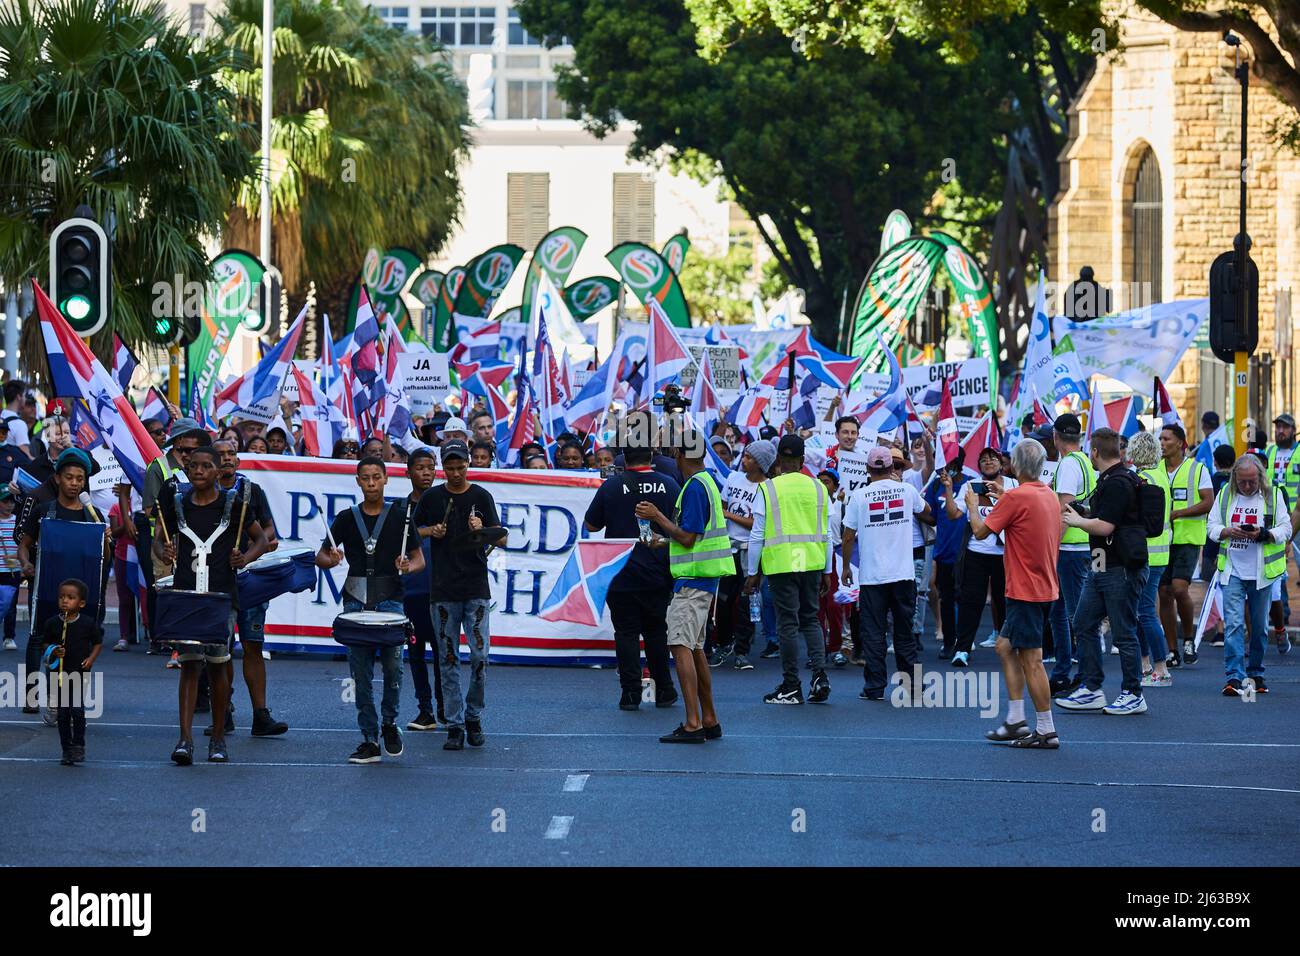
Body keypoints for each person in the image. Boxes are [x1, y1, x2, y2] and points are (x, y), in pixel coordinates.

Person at [155, 447, 269, 764]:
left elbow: (261, 539)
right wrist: (163, 551)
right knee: (190, 666)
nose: (199, 471)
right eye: (193, 466)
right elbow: (158, 538)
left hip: (221, 596)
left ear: (219, 472)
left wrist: (244, 558)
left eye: (207, 466)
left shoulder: (233, 505)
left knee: (218, 667)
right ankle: (185, 739)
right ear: (187, 469)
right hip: (187, 595)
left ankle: (218, 738)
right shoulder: (177, 503)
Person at [317, 456, 424, 763]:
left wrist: (408, 565)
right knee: (360, 673)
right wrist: (332, 559)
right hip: (354, 598)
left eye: (377, 477)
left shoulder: (401, 516)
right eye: (366, 478)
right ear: (358, 481)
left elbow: (419, 560)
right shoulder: (346, 518)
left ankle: (389, 724)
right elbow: (321, 557)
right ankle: (368, 738)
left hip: (391, 596)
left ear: (386, 479)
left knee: (393, 668)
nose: (372, 483)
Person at [633, 430, 729, 743]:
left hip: (693, 581)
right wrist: (663, 542)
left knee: (680, 645)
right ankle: (709, 718)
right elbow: (692, 537)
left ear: (680, 455)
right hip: (702, 578)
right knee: (695, 646)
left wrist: (657, 515)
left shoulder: (695, 487)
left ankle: (692, 723)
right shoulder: (705, 483)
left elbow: (688, 536)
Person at [969, 439, 1062, 748]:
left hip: (1025, 590)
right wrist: (1004, 496)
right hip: (1043, 586)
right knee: (1005, 647)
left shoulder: (1016, 497)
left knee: (1032, 660)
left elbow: (981, 532)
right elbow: (1024, 506)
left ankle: (1046, 729)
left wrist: (972, 505)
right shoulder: (1046, 494)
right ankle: (1015, 720)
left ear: (1015, 466)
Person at [584, 417, 681, 709]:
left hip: (620, 571)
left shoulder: (611, 487)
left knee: (625, 632)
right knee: (655, 631)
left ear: (623, 455)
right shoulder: (669, 485)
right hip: (657, 570)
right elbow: (679, 526)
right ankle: (664, 690)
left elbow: (591, 524)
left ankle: (630, 693)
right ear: (652, 452)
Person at [1056, 428, 1150, 715]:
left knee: (1123, 634)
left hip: (1119, 568)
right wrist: (1085, 513)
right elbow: (1105, 518)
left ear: (1095, 451)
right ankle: (1091, 688)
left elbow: (1106, 526)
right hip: (1100, 565)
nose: (1089, 456)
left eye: (1090, 451)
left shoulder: (1118, 482)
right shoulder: (1109, 480)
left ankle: (1133, 693)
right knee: (1083, 621)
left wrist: (1075, 520)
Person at [414, 440, 500, 750]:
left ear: (467, 465)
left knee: (479, 656)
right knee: (447, 659)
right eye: (449, 468)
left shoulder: (481, 495)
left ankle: (474, 715)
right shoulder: (433, 497)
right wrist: (430, 532)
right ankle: (454, 723)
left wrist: (482, 528)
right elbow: (411, 529)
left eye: (460, 467)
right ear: (443, 468)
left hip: (475, 588)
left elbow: (500, 537)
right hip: (443, 589)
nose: (455, 473)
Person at [17, 448, 109, 712]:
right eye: (69, 477)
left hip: (80, 592)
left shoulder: (93, 515)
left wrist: (106, 537)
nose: (74, 483)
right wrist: (26, 563)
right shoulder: (45, 512)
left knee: (77, 645)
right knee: (41, 638)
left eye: (80, 479)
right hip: (47, 589)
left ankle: (67, 700)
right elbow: (24, 544)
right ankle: (33, 696)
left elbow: (104, 556)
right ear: (58, 478)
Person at [210, 439, 289, 737]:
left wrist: (252, 553)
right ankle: (223, 711)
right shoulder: (203, 495)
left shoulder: (251, 492)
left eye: (232, 454)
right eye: (221, 455)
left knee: (253, 645)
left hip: (250, 580)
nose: (228, 459)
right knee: (221, 651)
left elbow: (268, 530)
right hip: (218, 581)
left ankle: (260, 715)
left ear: (238, 461)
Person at [748, 434, 833, 705]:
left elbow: (757, 534)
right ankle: (819, 676)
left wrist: (753, 571)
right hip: (811, 562)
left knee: (788, 623)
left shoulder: (769, 488)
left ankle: (791, 685)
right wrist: (828, 570)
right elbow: (828, 533)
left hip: (782, 564)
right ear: (802, 459)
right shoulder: (819, 488)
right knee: (810, 619)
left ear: (778, 461)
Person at [843, 445, 932, 701]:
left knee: (873, 632)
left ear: (868, 469)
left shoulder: (859, 497)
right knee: (904, 632)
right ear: (893, 468)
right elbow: (928, 514)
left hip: (872, 577)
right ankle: (912, 685)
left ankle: (874, 687)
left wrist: (846, 567)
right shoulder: (907, 491)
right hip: (903, 575)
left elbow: (848, 536)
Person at [1209, 455, 1290, 696]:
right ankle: (1234, 676)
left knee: (1259, 626)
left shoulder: (1273, 496)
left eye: (1252, 482)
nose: (1247, 487)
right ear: (1235, 478)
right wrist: (1226, 531)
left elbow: (1285, 528)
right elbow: (1211, 526)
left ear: (1260, 478)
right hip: (1233, 570)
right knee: (1233, 624)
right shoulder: (1225, 495)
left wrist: (1263, 534)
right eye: (1242, 482)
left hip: (1261, 573)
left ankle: (1255, 673)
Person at [948, 447, 1018, 665]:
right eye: (984, 460)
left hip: (1005, 554)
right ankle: (962, 649)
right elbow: (953, 514)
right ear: (979, 466)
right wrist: (949, 489)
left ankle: (1010, 647)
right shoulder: (970, 486)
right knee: (971, 601)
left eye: (993, 459)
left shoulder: (1013, 485)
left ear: (1002, 464)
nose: (988, 462)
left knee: (1005, 601)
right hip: (976, 553)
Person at [712, 439, 776, 670]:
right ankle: (722, 643)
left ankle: (742, 651)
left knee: (748, 601)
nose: (744, 460)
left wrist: (729, 515)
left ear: (761, 464)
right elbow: (721, 505)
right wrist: (723, 514)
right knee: (723, 600)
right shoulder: (733, 478)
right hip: (727, 549)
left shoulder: (768, 488)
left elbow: (758, 525)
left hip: (751, 551)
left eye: (749, 457)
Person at [1047, 413, 1095, 693]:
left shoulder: (1068, 464)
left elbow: (1065, 511)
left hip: (1070, 549)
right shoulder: (1085, 461)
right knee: (1059, 611)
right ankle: (1064, 670)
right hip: (1080, 545)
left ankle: (1085, 676)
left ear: (1056, 437)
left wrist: (1050, 547)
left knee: (1076, 616)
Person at [1159, 423, 1213, 667]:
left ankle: (1188, 638)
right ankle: (1172, 650)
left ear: (1180, 443)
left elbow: (1208, 502)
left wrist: (1179, 513)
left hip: (1188, 539)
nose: (1162, 443)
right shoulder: (1155, 469)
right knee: (1164, 593)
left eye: (1166, 438)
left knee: (1179, 589)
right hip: (1160, 540)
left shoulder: (1197, 469)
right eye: (1160, 438)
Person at [402, 449, 444, 731]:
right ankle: (425, 709)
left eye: (430, 467)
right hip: (411, 590)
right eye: (420, 467)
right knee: (415, 652)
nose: (426, 472)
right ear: (408, 472)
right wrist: (428, 531)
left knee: (444, 652)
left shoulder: (444, 504)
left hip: (441, 589)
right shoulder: (402, 509)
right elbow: (401, 537)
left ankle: (445, 708)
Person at [1128, 432, 1173, 687]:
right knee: (1141, 612)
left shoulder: (1142, 478)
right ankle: (1147, 665)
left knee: (1144, 612)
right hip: (1159, 552)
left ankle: (1160, 668)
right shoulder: (1160, 475)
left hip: (1145, 554)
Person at [42, 578, 102, 765]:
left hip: (79, 673)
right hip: (58, 674)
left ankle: (78, 745)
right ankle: (66, 748)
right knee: (62, 713)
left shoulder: (87, 623)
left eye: (71, 597)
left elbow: (98, 643)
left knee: (76, 710)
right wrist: (53, 650)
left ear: (81, 603)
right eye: (61, 597)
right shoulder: (52, 623)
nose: (65, 601)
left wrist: (90, 659)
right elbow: (45, 643)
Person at [927, 459, 969, 662]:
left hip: (967, 552)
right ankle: (949, 642)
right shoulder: (936, 485)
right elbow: (931, 516)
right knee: (947, 598)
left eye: (950, 465)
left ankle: (964, 643)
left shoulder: (971, 484)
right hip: (944, 551)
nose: (946, 470)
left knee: (966, 599)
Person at [0, 491, 21, 650]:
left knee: (10, 605)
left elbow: (24, 546)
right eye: (5, 502)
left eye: (11, 502)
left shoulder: (18, 523)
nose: (9, 505)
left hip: (12, 570)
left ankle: (9, 637)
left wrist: (14, 556)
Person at [3, 380, 32, 456]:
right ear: (19, 397)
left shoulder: (1, 416)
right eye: (24, 395)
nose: (25, 399)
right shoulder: (19, 424)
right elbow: (26, 456)